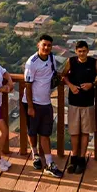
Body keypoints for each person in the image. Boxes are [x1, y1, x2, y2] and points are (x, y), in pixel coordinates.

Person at [23, 34, 63, 178]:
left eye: (49, 45)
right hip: (32, 102)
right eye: (44, 45)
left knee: (45, 133)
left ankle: (49, 163)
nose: (46, 48)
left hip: (46, 102)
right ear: (38, 45)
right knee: (32, 131)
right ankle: (35, 155)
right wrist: (31, 106)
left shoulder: (52, 58)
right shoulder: (32, 62)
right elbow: (28, 85)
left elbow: (53, 74)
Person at [61, 40, 97, 175]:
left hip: (88, 102)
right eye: (79, 51)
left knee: (85, 132)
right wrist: (71, 85)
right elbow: (63, 75)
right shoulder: (71, 61)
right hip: (73, 102)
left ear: (88, 51)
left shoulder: (94, 62)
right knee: (74, 131)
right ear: (76, 51)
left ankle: (82, 158)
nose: (82, 53)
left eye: (84, 51)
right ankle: (74, 157)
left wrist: (92, 84)